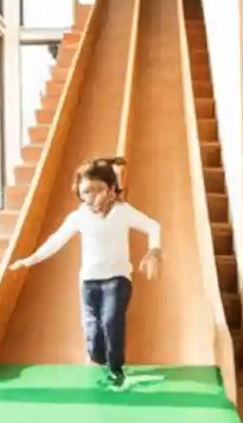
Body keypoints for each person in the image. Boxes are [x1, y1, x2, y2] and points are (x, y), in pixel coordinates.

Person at [9, 157, 161, 388]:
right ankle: (100, 365)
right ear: (79, 194)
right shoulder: (78, 217)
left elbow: (153, 226)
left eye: (99, 189)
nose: (93, 196)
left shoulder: (122, 211)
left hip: (117, 280)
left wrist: (154, 251)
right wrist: (30, 260)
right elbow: (56, 241)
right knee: (93, 336)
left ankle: (116, 370)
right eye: (87, 191)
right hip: (89, 283)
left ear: (111, 190)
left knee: (111, 322)